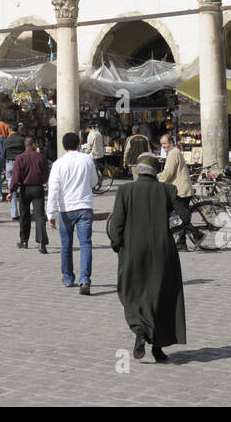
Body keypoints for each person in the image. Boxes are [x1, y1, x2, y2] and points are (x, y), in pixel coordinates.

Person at [108, 152, 188, 362]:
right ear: (155, 171)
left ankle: (140, 328)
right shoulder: (167, 190)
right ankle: (158, 348)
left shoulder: (125, 190)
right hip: (163, 251)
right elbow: (185, 217)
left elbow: (117, 223)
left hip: (133, 250)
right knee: (161, 295)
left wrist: (116, 244)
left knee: (132, 291)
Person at [46, 132, 97, 295]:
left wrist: (51, 213)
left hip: (66, 208)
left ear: (63, 146)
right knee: (85, 244)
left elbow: (53, 189)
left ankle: (68, 277)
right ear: (79, 144)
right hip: (84, 205)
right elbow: (94, 181)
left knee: (66, 245)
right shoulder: (87, 159)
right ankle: (85, 280)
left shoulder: (58, 164)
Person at [9, 135, 50, 252]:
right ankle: (42, 242)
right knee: (40, 216)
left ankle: (24, 241)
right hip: (37, 188)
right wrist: (41, 181)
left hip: (24, 189)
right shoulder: (41, 157)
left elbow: (15, 176)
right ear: (33, 145)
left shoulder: (20, 158)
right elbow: (46, 174)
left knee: (24, 215)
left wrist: (11, 191)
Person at [158, 133, 194, 250]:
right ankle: (182, 243)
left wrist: (157, 178)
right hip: (180, 188)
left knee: (182, 217)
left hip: (180, 190)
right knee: (181, 216)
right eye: (162, 144)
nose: (163, 146)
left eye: (165, 144)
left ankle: (197, 234)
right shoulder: (174, 152)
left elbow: (168, 173)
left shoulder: (173, 153)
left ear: (171, 143)